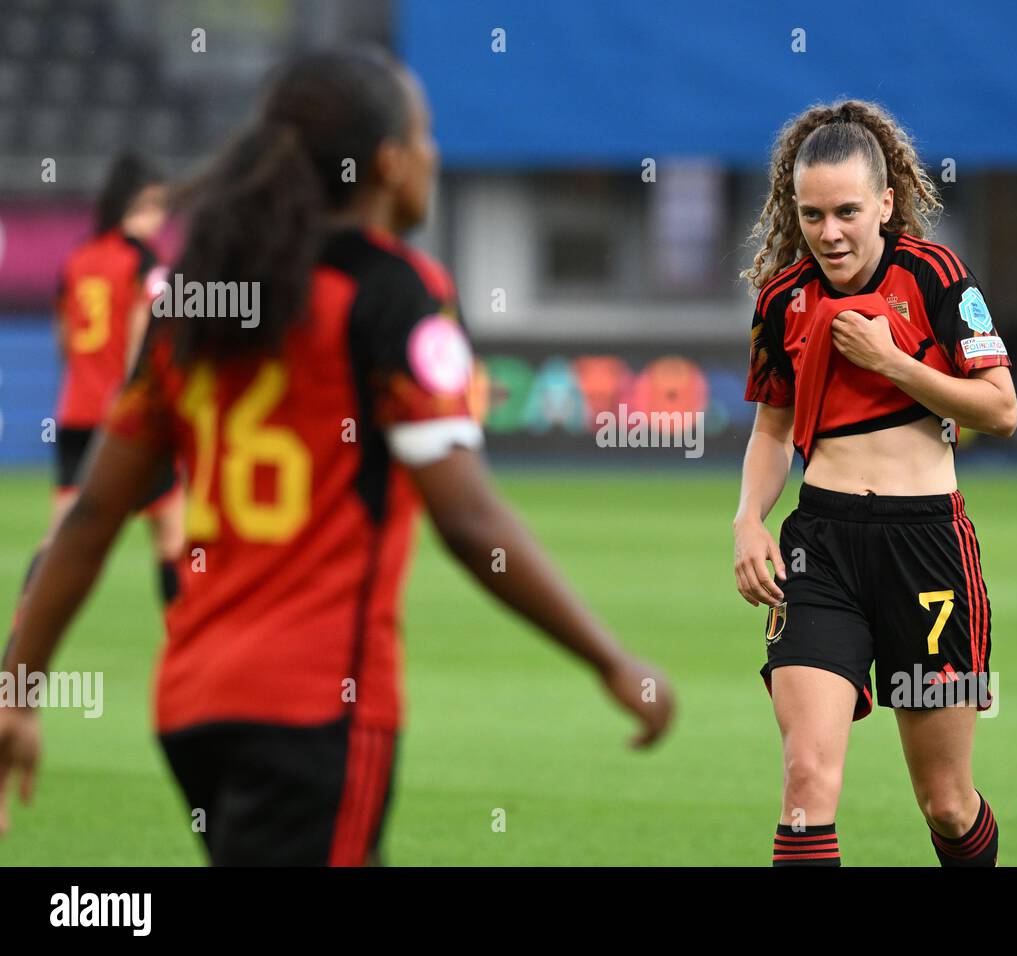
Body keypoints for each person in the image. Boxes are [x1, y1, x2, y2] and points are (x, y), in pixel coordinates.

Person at [0, 47, 673, 865]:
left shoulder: (198, 297)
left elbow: (98, 511)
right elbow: (467, 517)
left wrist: (19, 685)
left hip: (191, 706)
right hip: (317, 707)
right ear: (388, 162)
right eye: (424, 135)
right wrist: (610, 661)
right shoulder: (394, 294)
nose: (433, 153)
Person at [732, 100, 1017, 867]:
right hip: (819, 551)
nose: (830, 233)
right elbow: (769, 430)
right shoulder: (781, 301)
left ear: (887, 203)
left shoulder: (937, 278)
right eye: (813, 213)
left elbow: (1001, 409)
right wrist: (747, 523)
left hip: (927, 555)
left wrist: (893, 362)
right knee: (805, 779)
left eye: (849, 212)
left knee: (948, 804)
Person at [5, 154, 184, 652]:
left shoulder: (77, 259)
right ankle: (187, 643)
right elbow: (144, 342)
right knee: (173, 535)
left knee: (59, 538)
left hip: (76, 414)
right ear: (142, 203)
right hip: (130, 421)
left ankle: (18, 654)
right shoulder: (145, 262)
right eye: (158, 205)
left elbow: (65, 339)